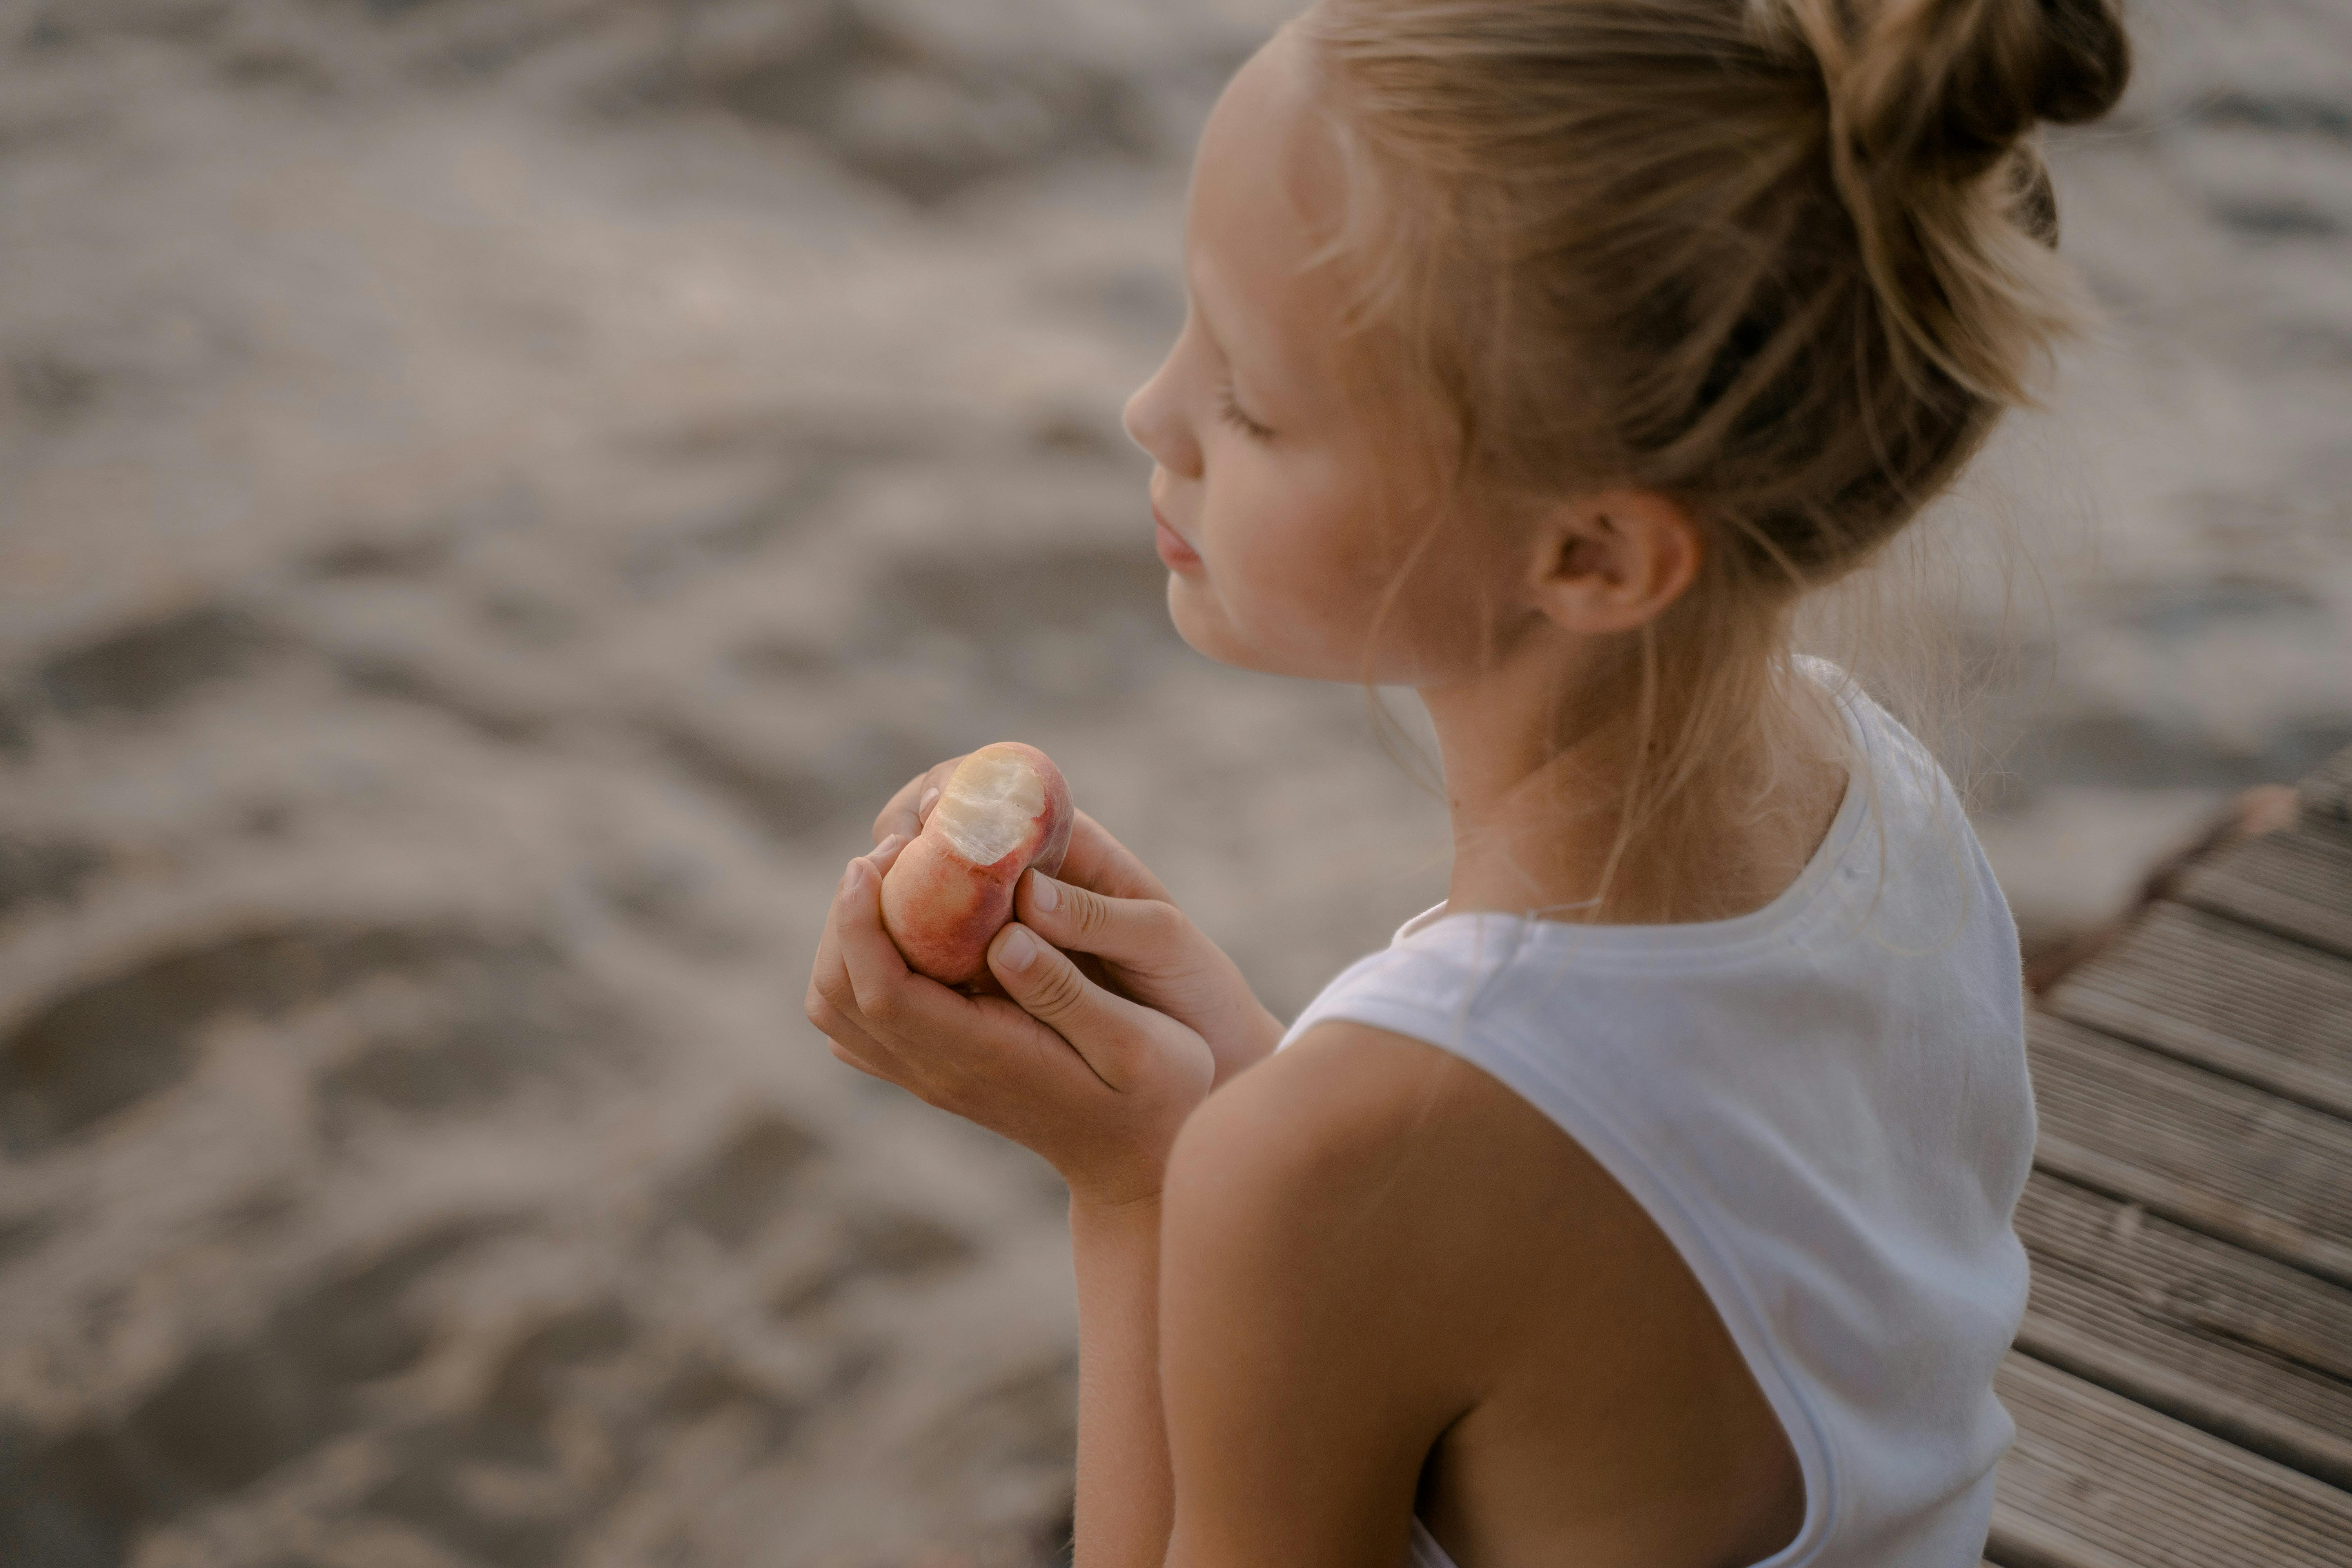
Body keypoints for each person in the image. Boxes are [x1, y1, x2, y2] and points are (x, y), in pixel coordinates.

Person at [806, 0, 2132, 1562]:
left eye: (1248, 394)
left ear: (1592, 554)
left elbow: (1441, 1195)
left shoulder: (1345, 1157)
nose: (1149, 412)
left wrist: (1137, 1182)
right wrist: (1239, 1085)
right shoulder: (1885, 803)